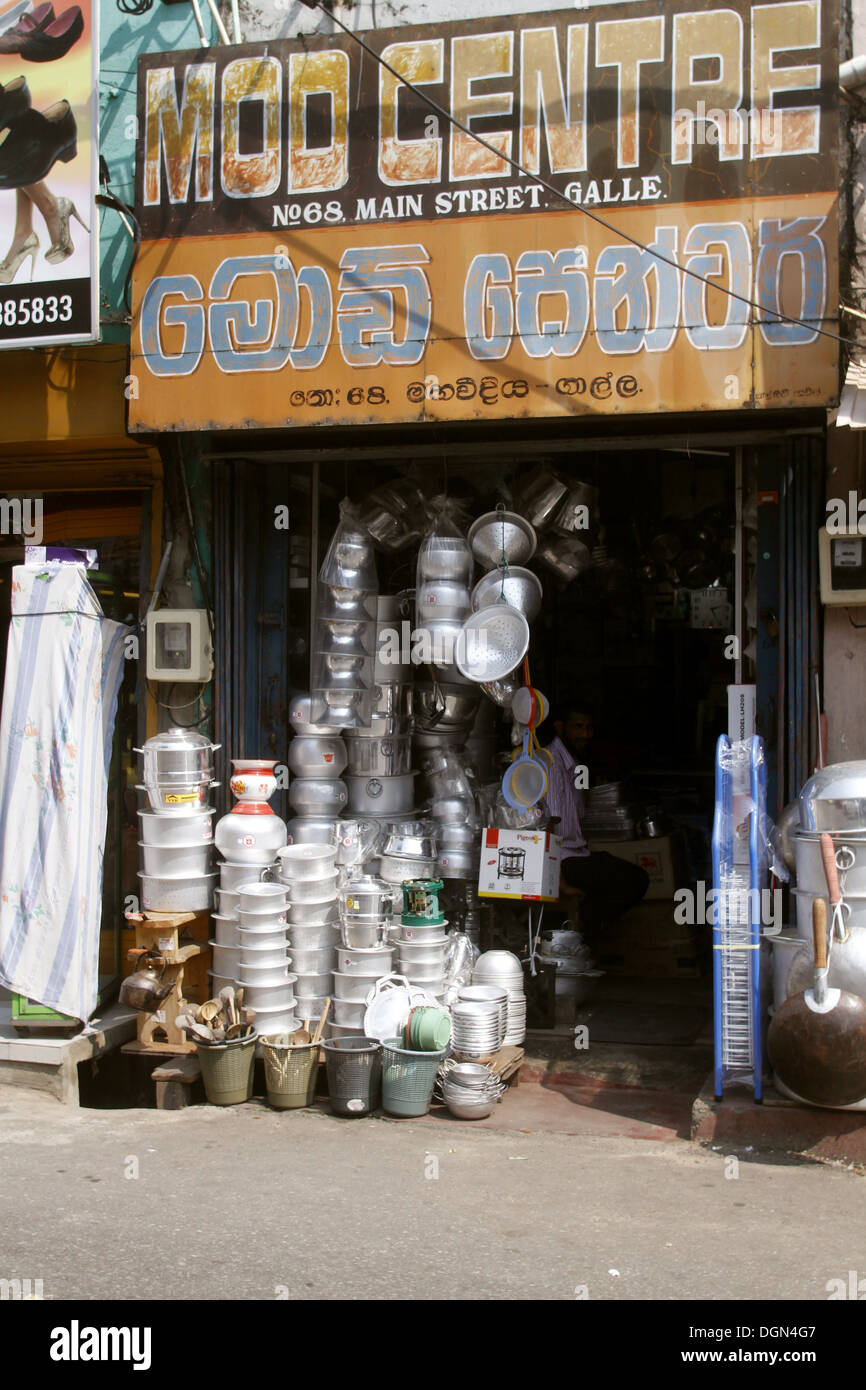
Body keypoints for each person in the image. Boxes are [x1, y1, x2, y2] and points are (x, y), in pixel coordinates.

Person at [543, 702, 649, 948]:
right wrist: (559, 881)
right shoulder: (552, 764)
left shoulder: (576, 764)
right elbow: (547, 825)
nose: (585, 734)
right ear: (560, 727)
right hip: (563, 861)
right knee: (634, 879)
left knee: (618, 875)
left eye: (589, 728)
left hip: (579, 854)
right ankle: (582, 936)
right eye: (578, 727)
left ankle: (582, 936)